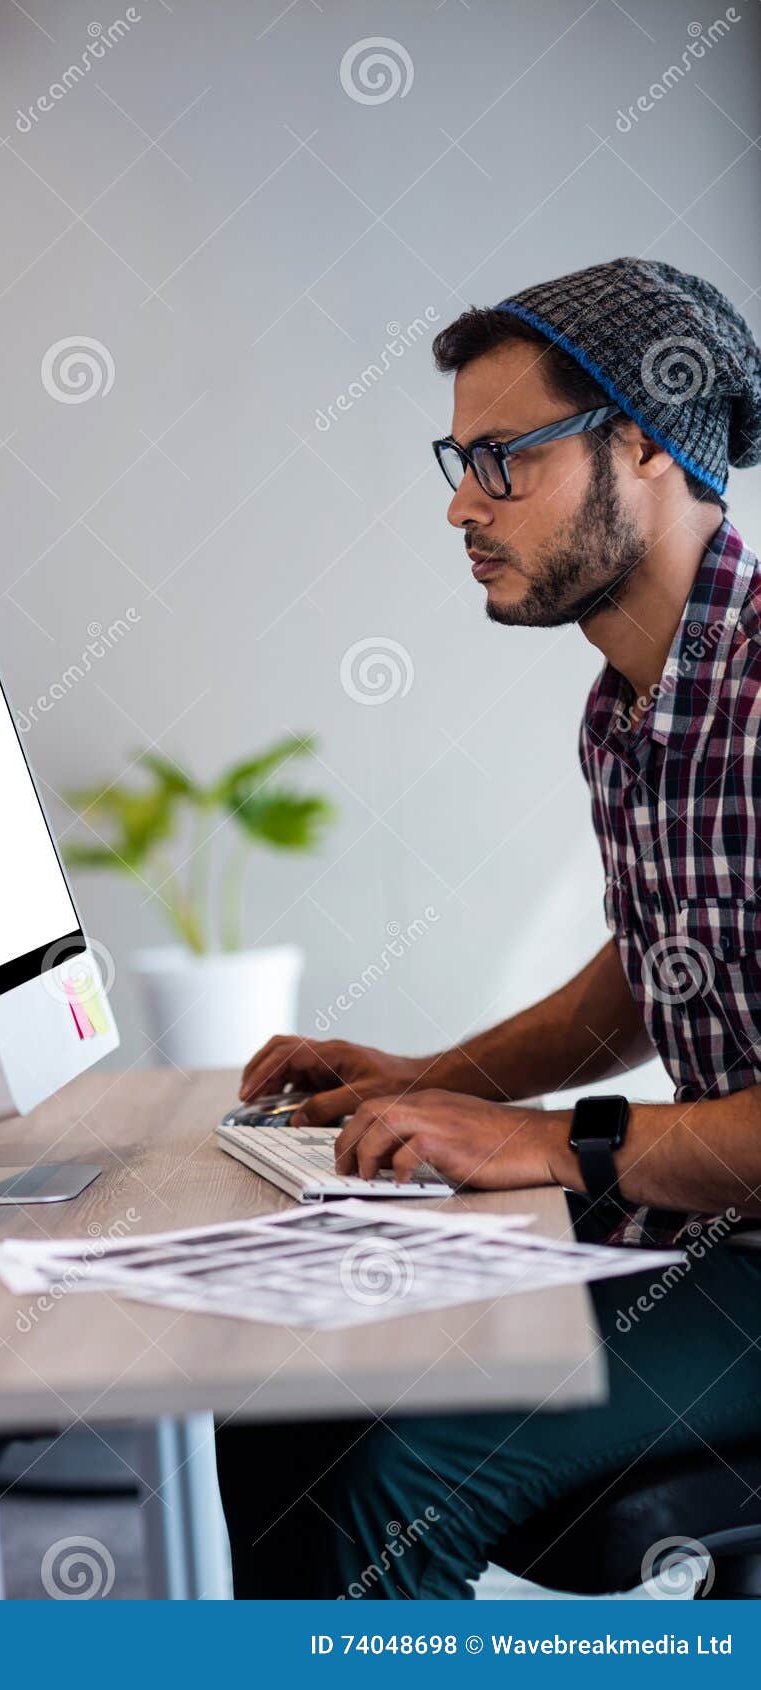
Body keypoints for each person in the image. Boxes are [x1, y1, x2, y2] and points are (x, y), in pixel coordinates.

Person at [215, 256, 761, 1599]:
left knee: (407, 1481)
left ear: (641, 437)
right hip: (712, 1227)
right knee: (280, 1398)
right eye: (460, 459)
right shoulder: (624, 710)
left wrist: (554, 1141)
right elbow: (649, 972)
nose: (462, 503)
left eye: (504, 458)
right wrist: (429, 1079)